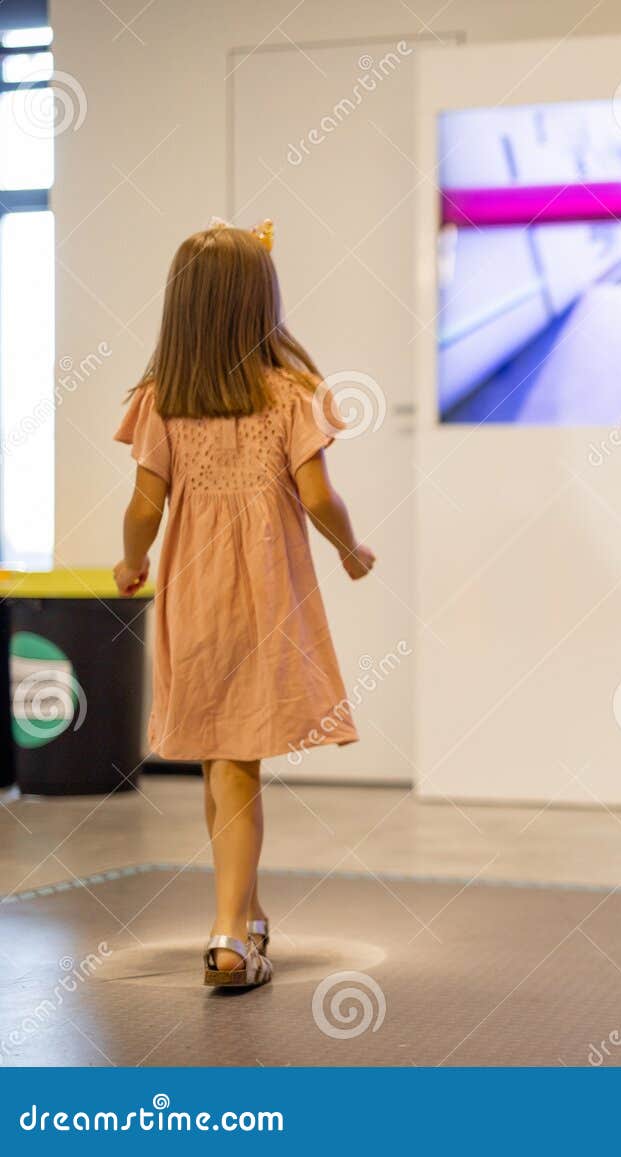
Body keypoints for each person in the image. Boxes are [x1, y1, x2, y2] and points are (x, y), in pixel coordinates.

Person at [112, 219, 376, 990]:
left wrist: (133, 563)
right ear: (261, 306)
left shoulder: (160, 400)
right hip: (266, 598)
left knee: (224, 761)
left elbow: (143, 507)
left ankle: (249, 913)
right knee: (234, 760)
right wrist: (351, 552)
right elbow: (320, 496)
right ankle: (229, 938)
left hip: (194, 597)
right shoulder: (291, 395)